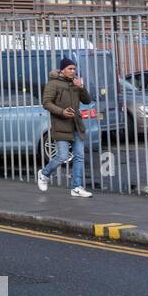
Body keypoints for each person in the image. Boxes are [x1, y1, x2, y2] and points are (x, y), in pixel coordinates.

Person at [37, 57, 94, 198]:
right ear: (62, 70)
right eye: (70, 68)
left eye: (74, 69)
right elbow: (46, 103)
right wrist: (62, 112)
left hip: (76, 125)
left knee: (79, 156)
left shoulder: (75, 84)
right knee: (62, 156)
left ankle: (76, 187)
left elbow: (87, 100)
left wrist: (81, 87)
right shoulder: (53, 84)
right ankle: (44, 174)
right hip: (61, 124)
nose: (73, 71)